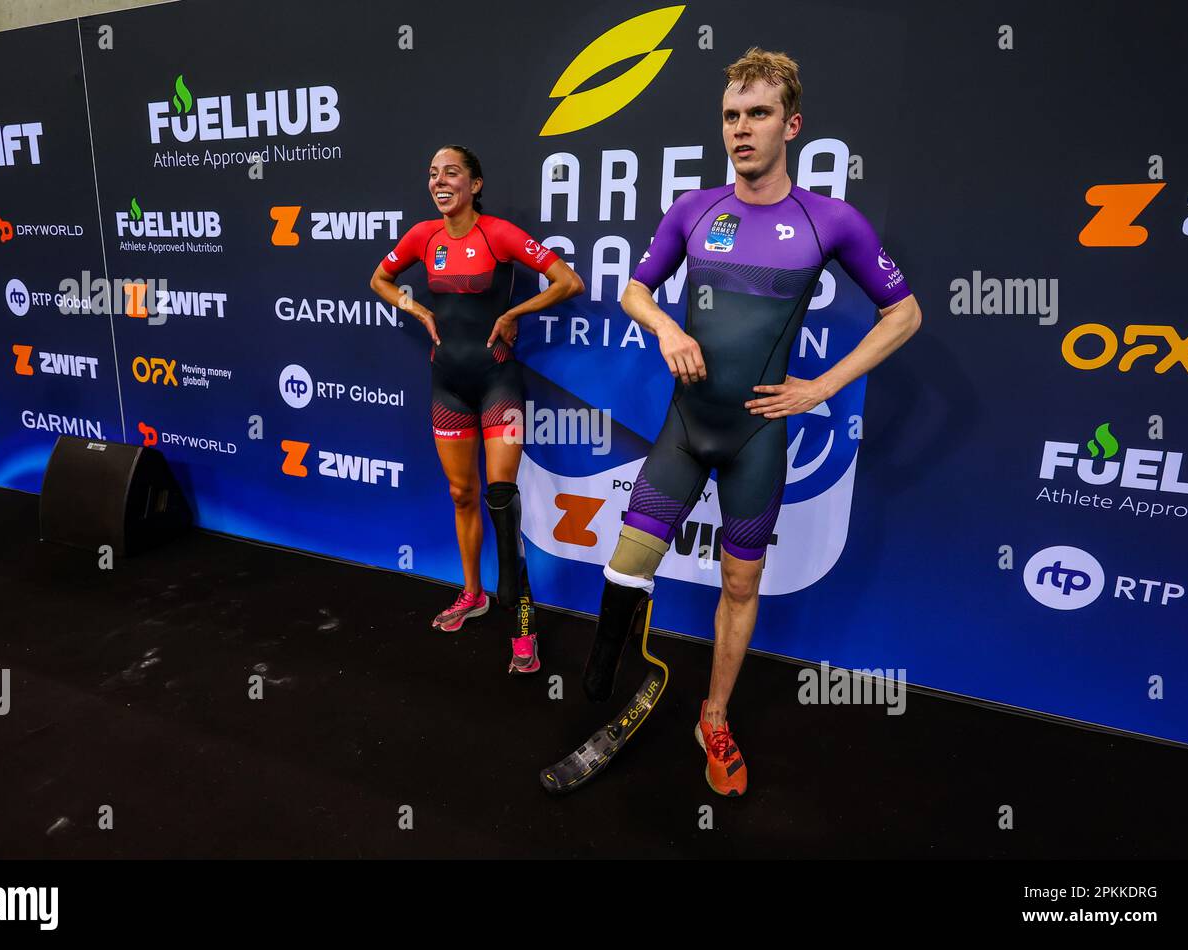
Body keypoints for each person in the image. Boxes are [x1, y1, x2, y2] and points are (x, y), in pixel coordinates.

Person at [582, 49, 922, 794]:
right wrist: (667, 330)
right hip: (684, 428)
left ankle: (714, 715)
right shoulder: (695, 211)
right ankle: (603, 687)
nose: (742, 129)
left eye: (759, 114)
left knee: (740, 586)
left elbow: (905, 312)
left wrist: (822, 387)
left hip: (756, 439)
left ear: (791, 125)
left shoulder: (829, 220)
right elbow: (637, 292)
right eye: (732, 115)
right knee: (625, 566)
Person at [370, 145, 584, 673]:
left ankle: (523, 625)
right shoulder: (424, 236)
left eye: (452, 173)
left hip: (498, 383)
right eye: (433, 173)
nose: (439, 181)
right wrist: (416, 310)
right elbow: (379, 279)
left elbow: (569, 281)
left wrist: (514, 312)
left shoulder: (500, 234)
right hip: (448, 384)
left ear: (476, 184)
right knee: (462, 494)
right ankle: (473, 593)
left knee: (500, 499)